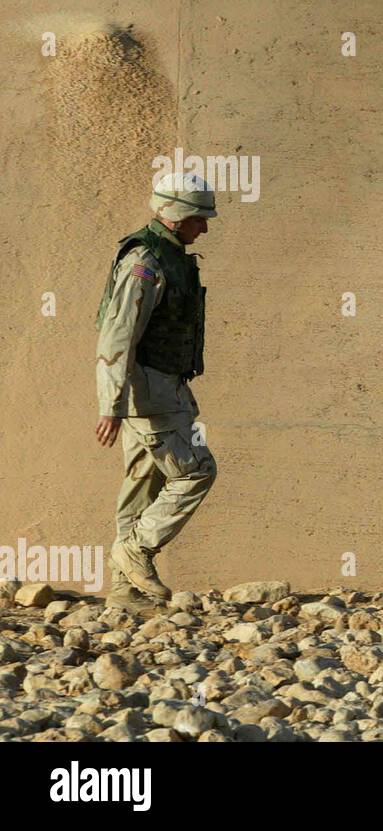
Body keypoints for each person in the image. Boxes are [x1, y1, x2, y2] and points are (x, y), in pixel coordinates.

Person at [94, 172, 218, 609]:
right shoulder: (145, 262)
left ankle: (124, 590)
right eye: (199, 218)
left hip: (161, 390)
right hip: (150, 394)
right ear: (176, 215)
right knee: (196, 471)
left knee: (143, 482)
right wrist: (109, 404)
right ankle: (135, 552)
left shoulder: (170, 256)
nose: (203, 227)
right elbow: (117, 336)